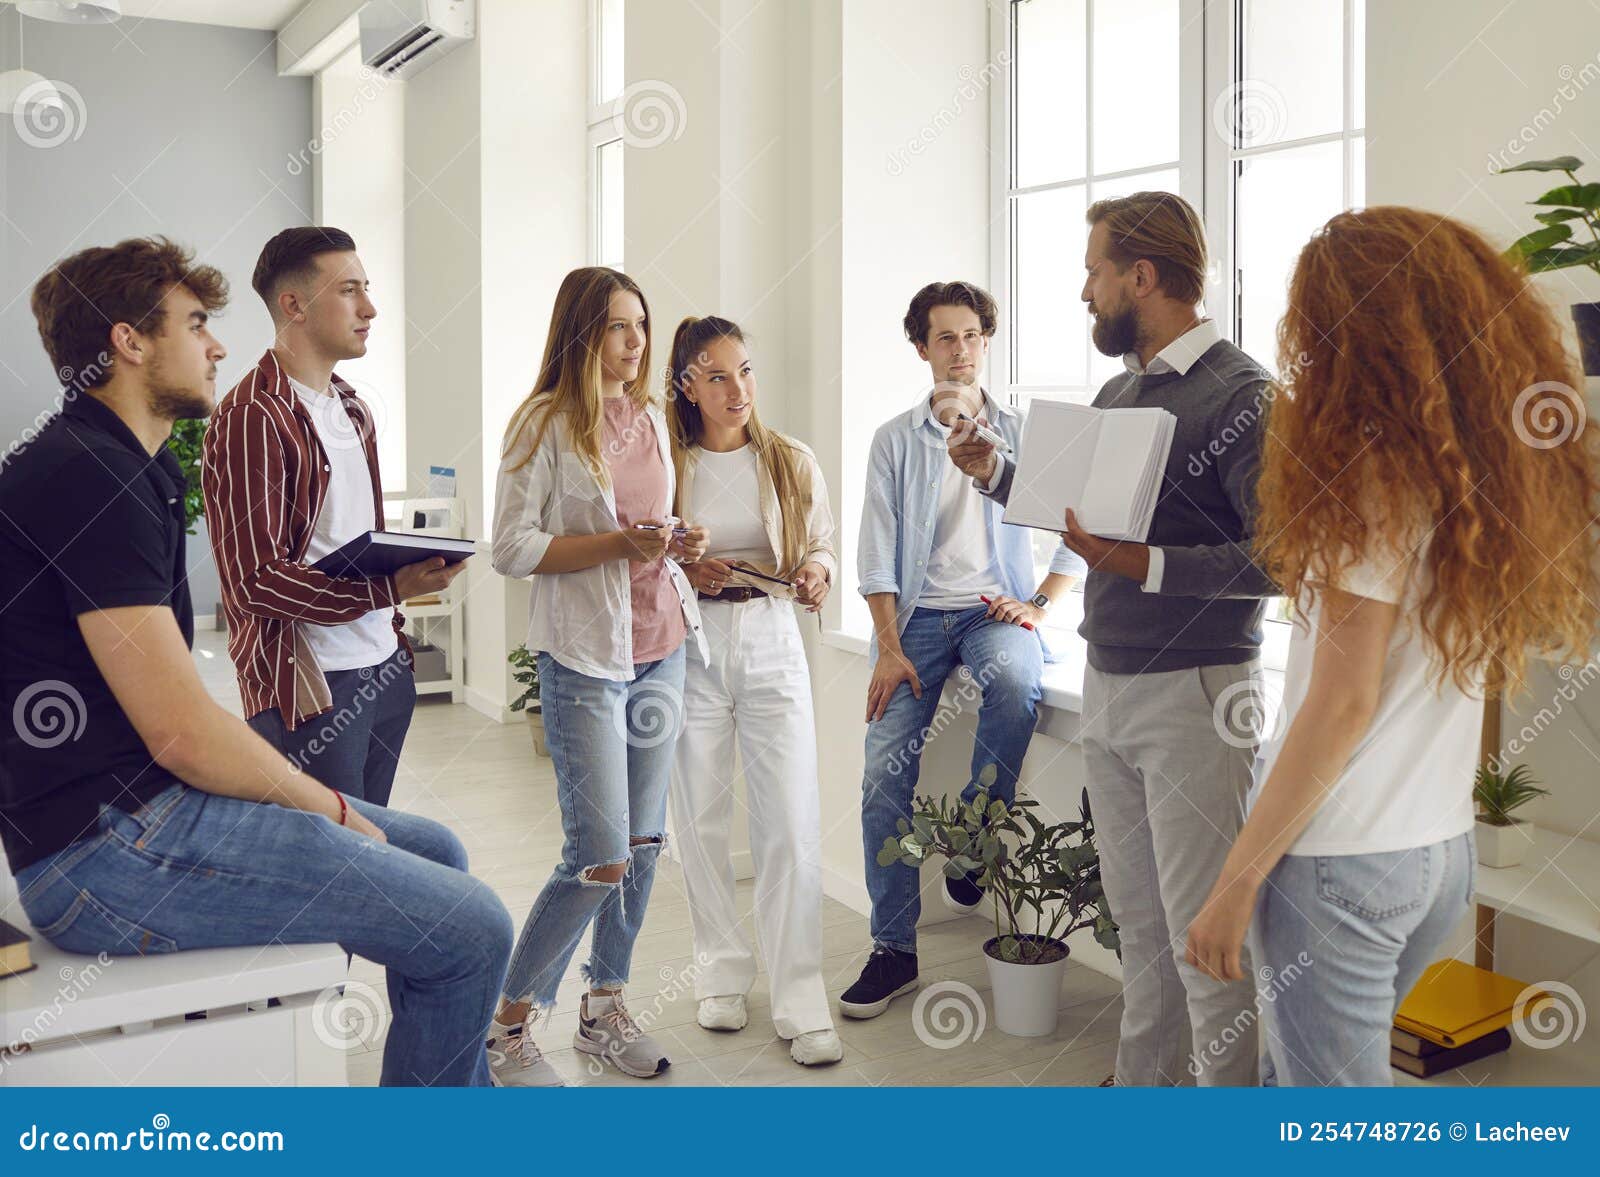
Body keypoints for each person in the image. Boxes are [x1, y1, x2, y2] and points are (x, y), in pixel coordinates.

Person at [2, 237, 512, 1087]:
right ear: (128, 341)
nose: (217, 345)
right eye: (196, 323)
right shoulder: (88, 477)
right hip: (102, 853)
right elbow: (181, 732)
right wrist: (330, 811)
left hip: (136, 812)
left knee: (438, 851)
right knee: (476, 928)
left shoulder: (135, 464)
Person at [1183, 206, 1600, 1086]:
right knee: (1294, 1085)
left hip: (1341, 860)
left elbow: (1342, 704)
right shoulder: (1481, 478)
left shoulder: (1366, 480)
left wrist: (1235, 883)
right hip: (1435, 852)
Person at [950, 192, 1278, 1085]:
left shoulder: (1243, 394)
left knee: (1203, 939)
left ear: (1142, 275)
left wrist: (1143, 564)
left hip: (1198, 692)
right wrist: (996, 472)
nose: (1085, 289)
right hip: (1111, 677)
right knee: (1140, 924)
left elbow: (1281, 556)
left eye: (1096, 270)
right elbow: (1088, 522)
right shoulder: (1118, 390)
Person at [486, 267, 710, 1086]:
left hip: (662, 644)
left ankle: (604, 1007)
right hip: (584, 657)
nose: (637, 342)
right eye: (619, 326)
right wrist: (622, 544)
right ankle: (508, 1023)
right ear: (583, 332)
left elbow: (647, 527)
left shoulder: (651, 416)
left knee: (645, 846)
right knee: (598, 854)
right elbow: (510, 546)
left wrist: (674, 540)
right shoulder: (542, 423)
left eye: (642, 325)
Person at [842, 280, 1086, 1020]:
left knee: (1015, 683)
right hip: (916, 619)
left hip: (993, 610)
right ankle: (893, 950)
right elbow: (877, 556)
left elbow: (1079, 530)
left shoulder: (1024, 428)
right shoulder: (895, 439)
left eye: (972, 335)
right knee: (884, 769)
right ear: (921, 348)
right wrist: (888, 645)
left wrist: (1039, 603)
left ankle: (976, 845)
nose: (960, 350)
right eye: (944, 338)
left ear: (988, 340)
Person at [204, 227, 462, 808]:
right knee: (326, 870)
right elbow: (255, 582)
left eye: (366, 288)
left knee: (371, 852)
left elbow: (351, 539)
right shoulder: (252, 416)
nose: (369, 308)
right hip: (310, 684)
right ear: (293, 305)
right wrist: (389, 586)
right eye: (350, 290)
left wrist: (402, 570)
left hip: (383, 666)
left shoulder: (353, 408)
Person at [665, 315, 843, 1066]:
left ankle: (801, 999)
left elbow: (825, 543)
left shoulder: (791, 459)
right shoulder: (666, 460)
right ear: (686, 386)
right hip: (692, 643)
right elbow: (638, 554)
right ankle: (721, 973)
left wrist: (817, 573)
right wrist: (682, 568)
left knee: (789, 820)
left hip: (771, 637)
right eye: (717, 376)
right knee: (699, 818)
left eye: (745, 371)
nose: (737, 390)